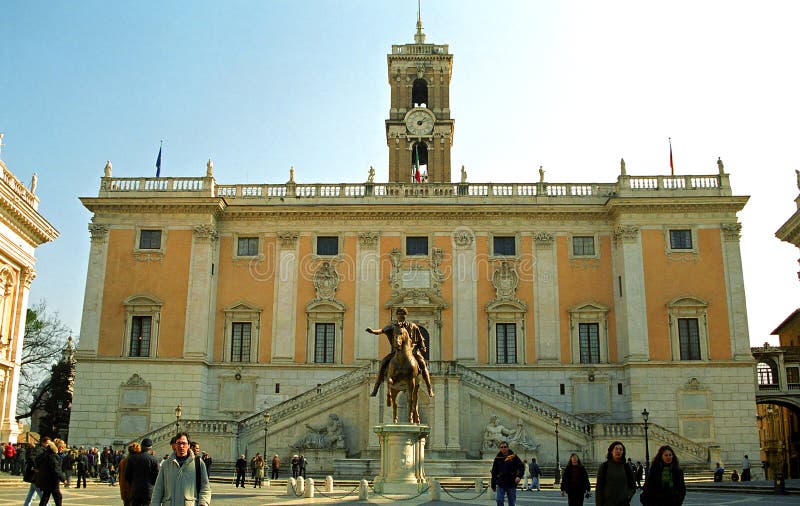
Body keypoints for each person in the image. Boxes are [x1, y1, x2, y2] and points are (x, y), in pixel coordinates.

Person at [366, 307, 434, 398]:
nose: (401, 315)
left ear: (405, 315)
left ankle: (429, 388)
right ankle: (375, 388)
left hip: (412, 351)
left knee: (422, 364)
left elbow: (420, 338)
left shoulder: (413, 326)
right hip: (396, 352)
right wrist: (372, 331)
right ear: (396, 315)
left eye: (402, 313)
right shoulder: (392, 326)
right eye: (399, 313)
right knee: (383, 364)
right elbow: (381, 331)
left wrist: (422, 346)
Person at [151, 432, 211, 506]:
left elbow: (205, 486)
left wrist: (203, 503)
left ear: (189, 445)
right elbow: (158, 489)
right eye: (178, 443)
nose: (181, 446)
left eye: (184, 443)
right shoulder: (166, 464)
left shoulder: (198, 463)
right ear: (175, 445)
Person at [595, 441, 635, 506]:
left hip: (623, 503)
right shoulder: (605, 466)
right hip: (607, 503)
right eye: (616, 449)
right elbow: (599, 487)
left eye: (621, 449)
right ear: (611, 451)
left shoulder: (626, 467)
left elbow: (632, 485)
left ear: (623, 452)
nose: (618, 451)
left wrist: (628, 495)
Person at [125, 437, 159, 506]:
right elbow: (157, 476)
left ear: (141, 446)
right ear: (150, 447)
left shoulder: (132, 458)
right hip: (148, 490)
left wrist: (133, 483)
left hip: (135, 489)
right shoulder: (154, 460)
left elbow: (127, 475)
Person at [490, 441, 524, 506]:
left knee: (511, 502)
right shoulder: (497, 458)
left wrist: (519, 476)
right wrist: (493, 484)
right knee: (499, 500)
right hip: (501, 482)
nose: (503, 448)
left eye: (505, 447)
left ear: (508, 448)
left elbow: (521, 467)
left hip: (511, 482)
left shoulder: (513, 456)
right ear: (499, 448)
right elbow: (494, 472)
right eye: (502, 447)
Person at [35, 440, 66, 506]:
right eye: (61, 447)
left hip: (46, 479)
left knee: (45, 496)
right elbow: (56, 468)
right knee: (58, 497)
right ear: (57, 447)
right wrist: (63, 479)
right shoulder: (53, 456)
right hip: (52, 480)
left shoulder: (46, 453)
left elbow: (38, 461)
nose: (62, 449)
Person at [23, 436, 50, 506]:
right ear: (43, 443)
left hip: (35, 475)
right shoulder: (39, 449)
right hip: (36, 475)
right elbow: (32, 458)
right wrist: (36, 467)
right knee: (42, 495)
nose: (48, 445)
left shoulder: (42, 449)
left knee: (31, 494)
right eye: (47, 443)